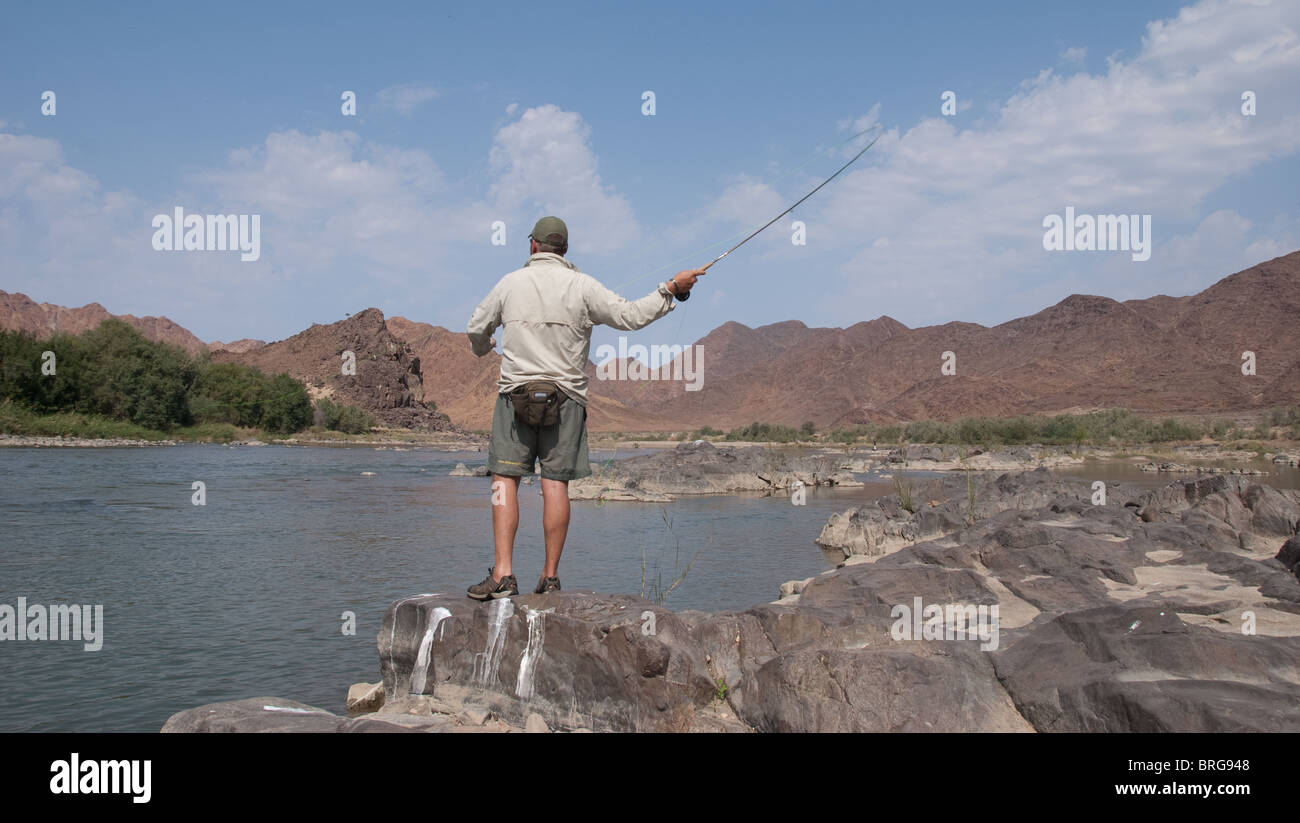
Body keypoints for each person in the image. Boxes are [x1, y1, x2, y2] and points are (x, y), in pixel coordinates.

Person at [464, 216, 702, 599]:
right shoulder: (582, 285)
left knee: (503, 480)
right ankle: (551, 577)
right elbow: (629, 316)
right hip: (566, 401)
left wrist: (482, 347)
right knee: (555, 483)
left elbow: (477, 327)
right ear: (565, 250)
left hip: (514, 397)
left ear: (533, 247)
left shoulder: (509, 284)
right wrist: (671, 288)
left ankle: (504, 575)